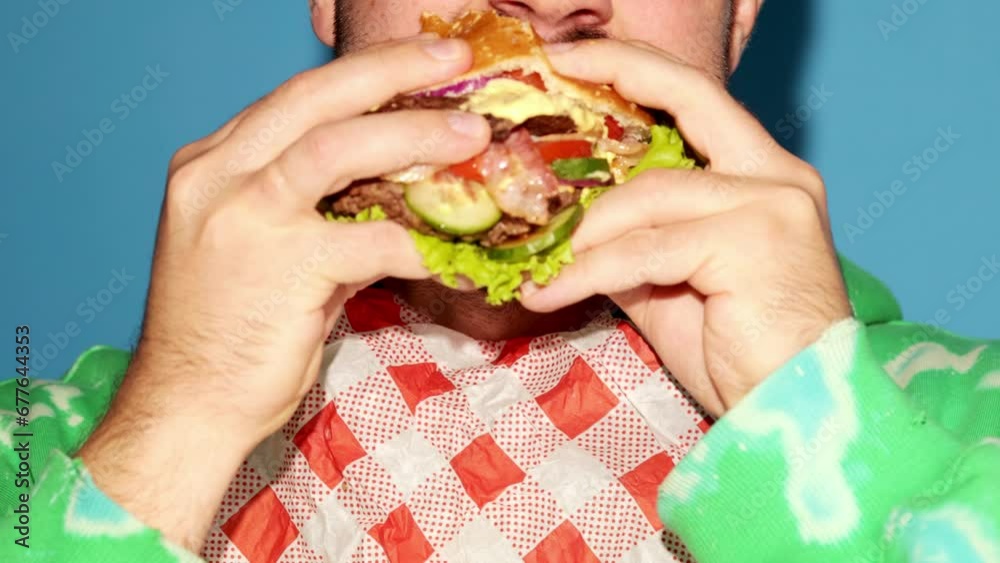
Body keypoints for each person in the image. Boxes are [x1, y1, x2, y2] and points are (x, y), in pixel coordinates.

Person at [3, 1, 998, 561]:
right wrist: (173, 422)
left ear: (738, 19)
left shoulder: (968, 439)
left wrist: (828, 448)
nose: (548, 4)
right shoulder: (29, 459)